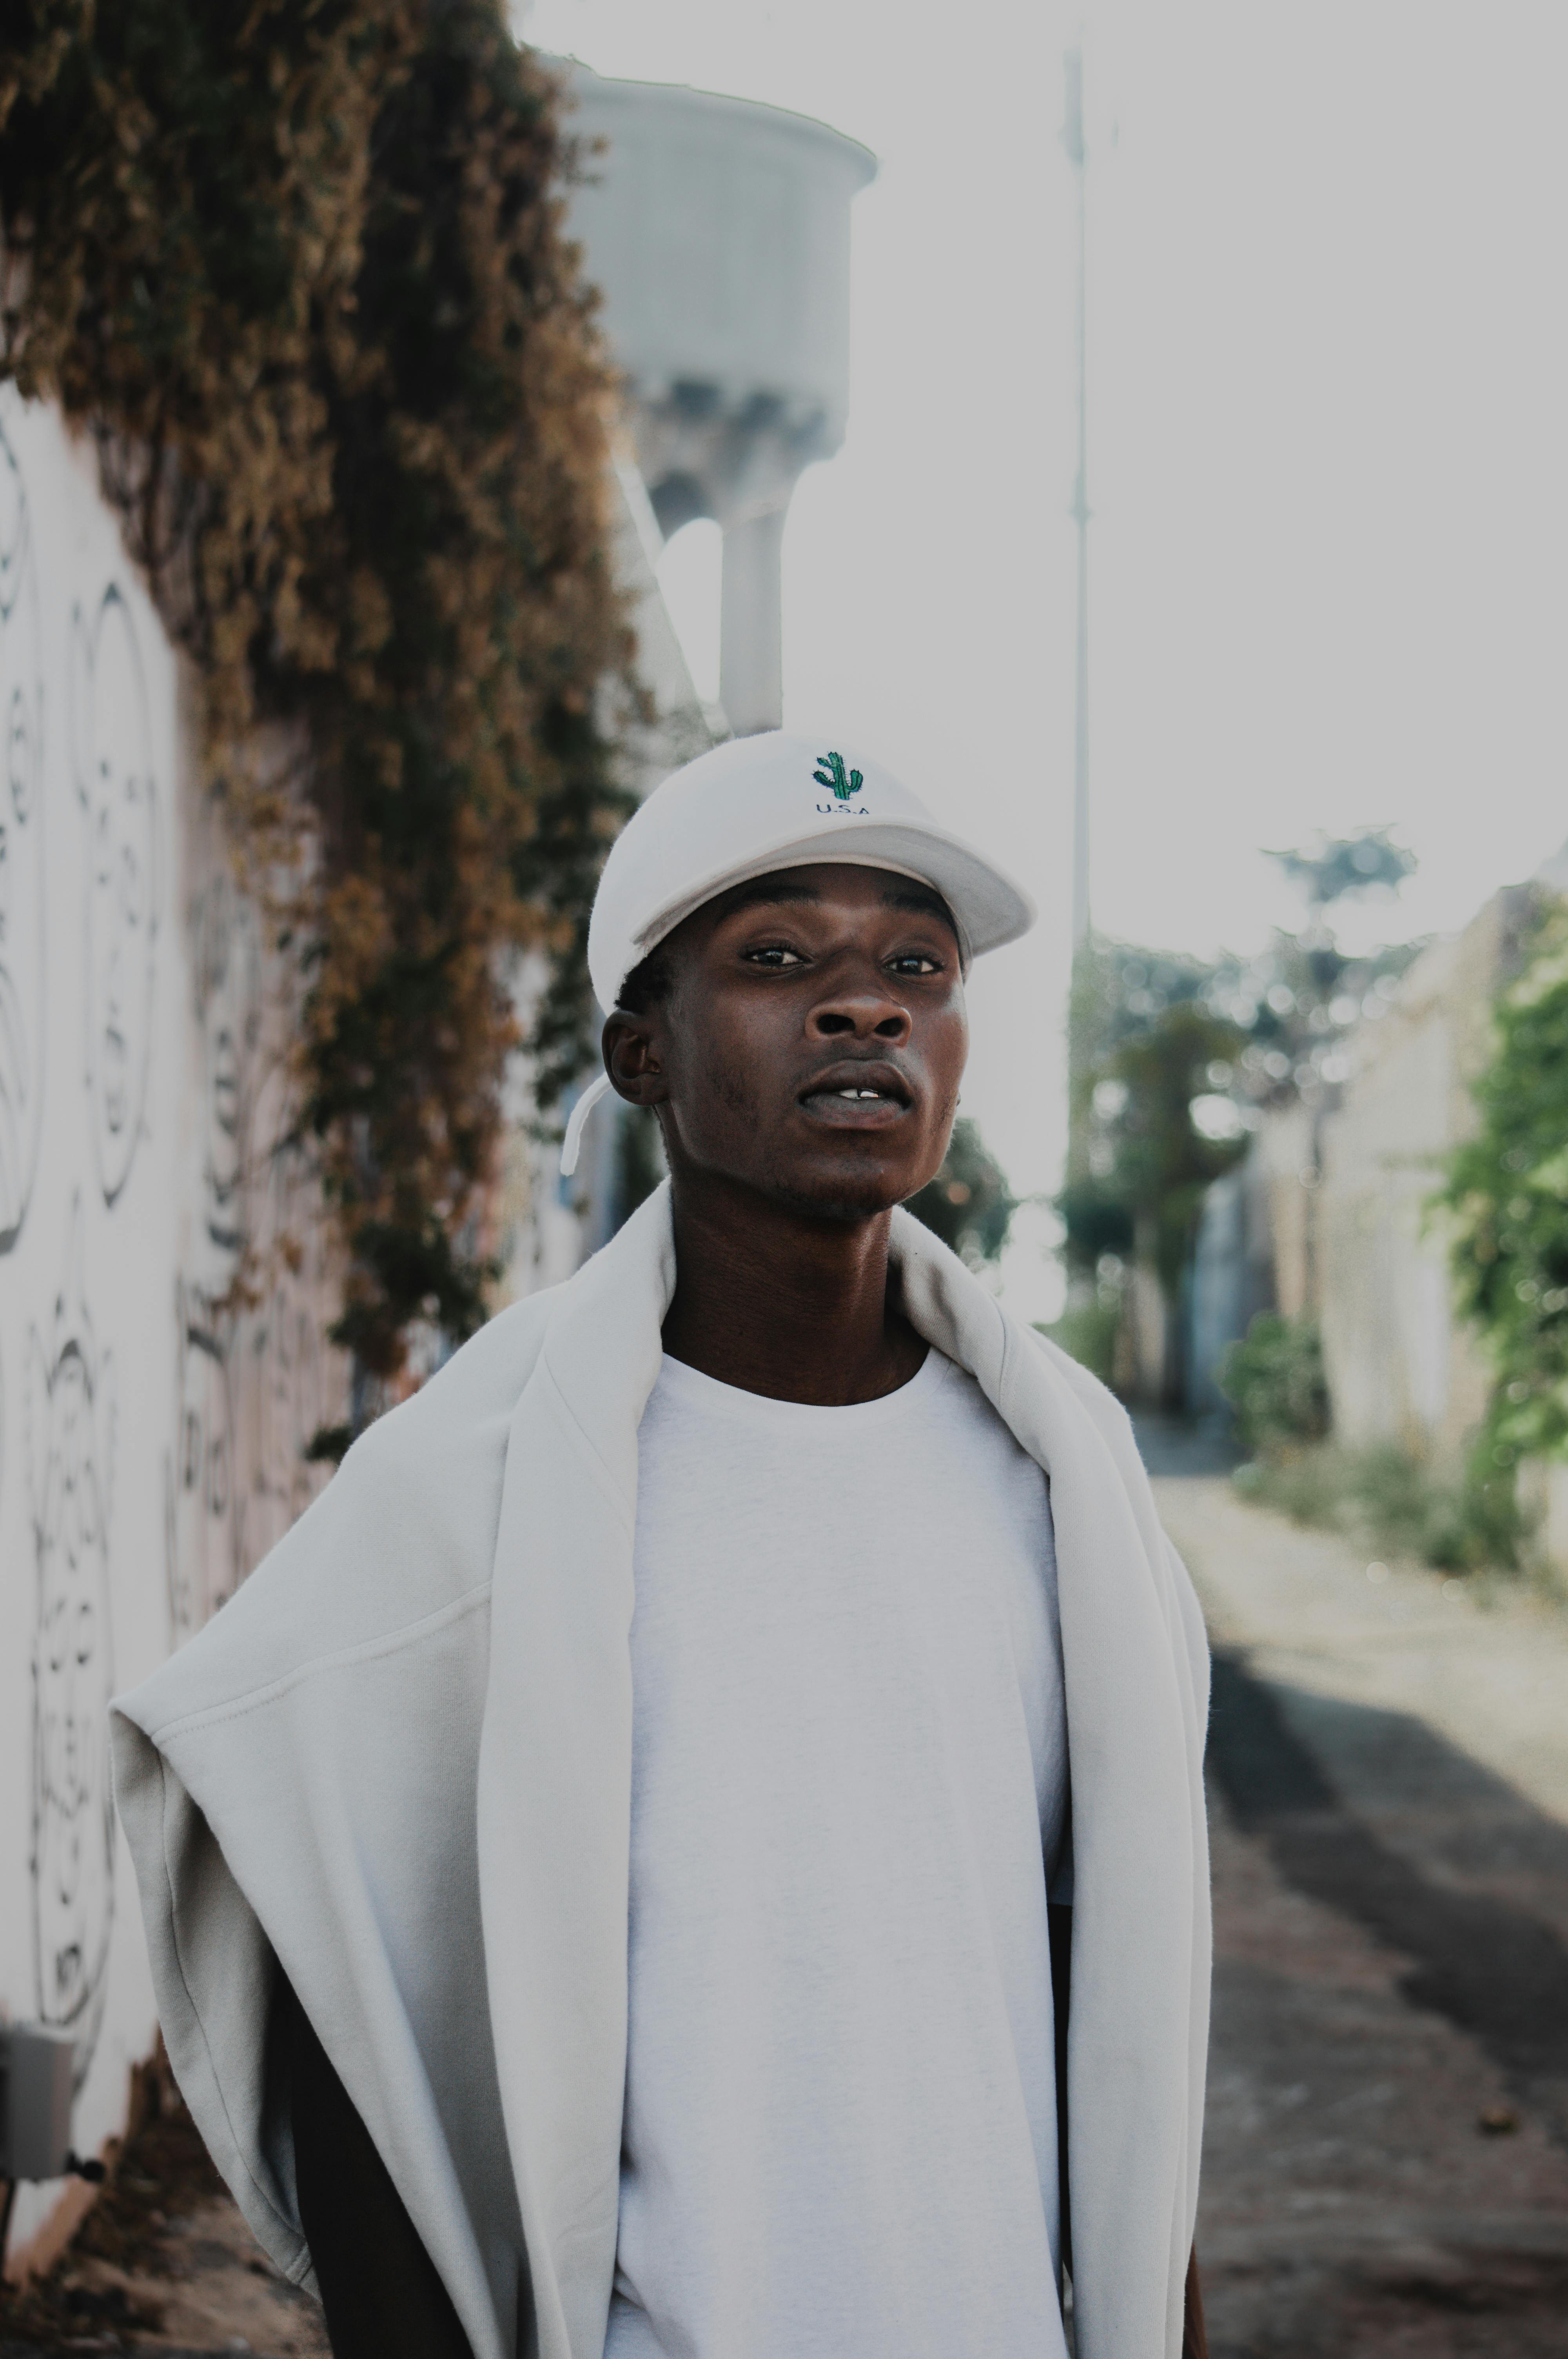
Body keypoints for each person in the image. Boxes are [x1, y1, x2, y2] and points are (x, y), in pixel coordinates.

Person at [113, 732, 1211, 2359]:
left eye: (916, 966)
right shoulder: (472, 1485)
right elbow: (340, 1978)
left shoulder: (1069, 1476)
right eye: (777, 958)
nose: (865, 1007)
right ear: (644, 1050)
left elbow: (1129, 2012)